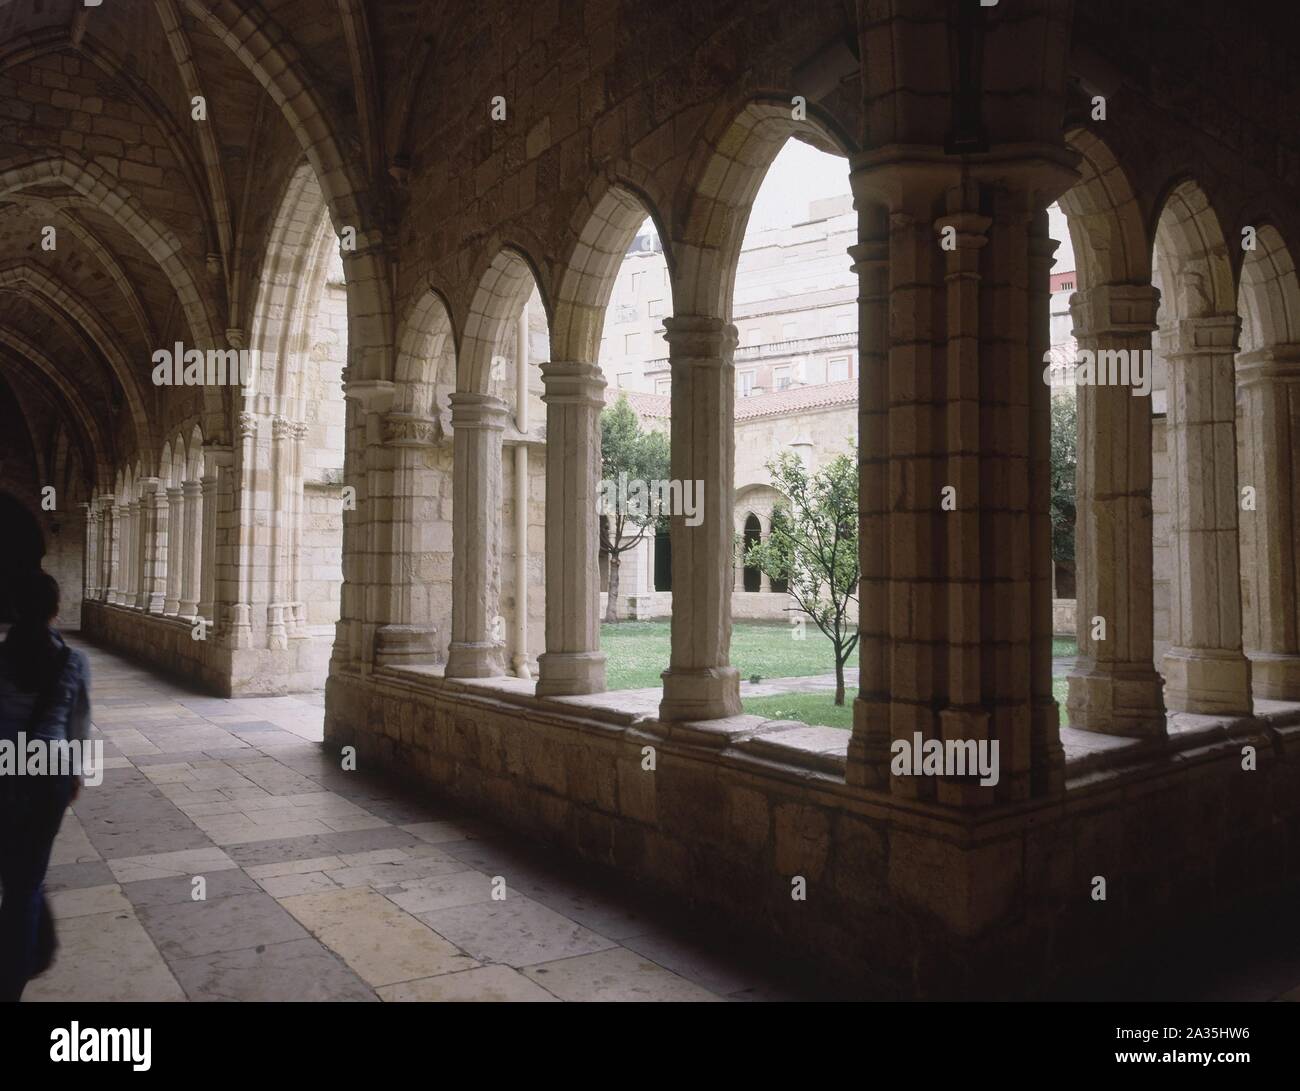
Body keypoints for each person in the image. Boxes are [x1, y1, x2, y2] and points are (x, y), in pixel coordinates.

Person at [0, 570, 90, 1001]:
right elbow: (77, 727)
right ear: (56, 611)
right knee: (25, 882)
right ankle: (14, 977)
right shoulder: (73, 662)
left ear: (15, 608)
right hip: (46, 779)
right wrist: (73, 774)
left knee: (15, 876)